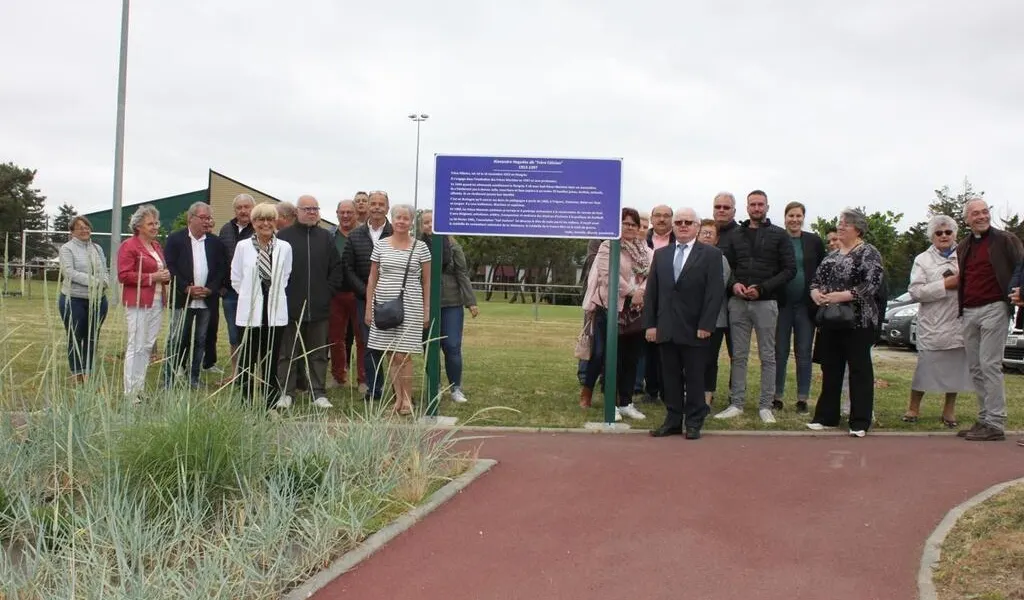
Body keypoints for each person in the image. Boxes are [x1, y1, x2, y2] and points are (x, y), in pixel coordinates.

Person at [715, 190, 796, 423]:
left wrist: (763, 288)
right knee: (738, 355)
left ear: (767, 207)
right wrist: (734, 285)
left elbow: (790, 270)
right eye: (753, 204)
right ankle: (737, 403)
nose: (757, 208)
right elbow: (726, 267)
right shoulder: (735, 236)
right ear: (747, 207)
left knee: (767, 356)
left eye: (761, 204)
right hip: (738, 303)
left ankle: (765, 405)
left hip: (766, 303)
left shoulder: (779, 235)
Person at [645, 207, 725, 439]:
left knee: (695, 377)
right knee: (669, 377)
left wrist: (706, 325)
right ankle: (672, 420)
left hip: (695, 329)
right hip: (667, 328)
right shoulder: (661, 255)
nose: (682, 225)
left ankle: (693, 421)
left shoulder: (711, 255)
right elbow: (652, 293)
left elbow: (714, 293)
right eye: (678, 221)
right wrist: (651, 324)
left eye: (688, 222)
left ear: (697, 227)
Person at [806, 208, 884, 437]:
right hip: (831, 320)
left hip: (858, 321)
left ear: (857, 228)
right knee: (831, 368)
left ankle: (860, 421)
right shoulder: (831, 255)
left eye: (845, 224)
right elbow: (815, 282)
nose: (840, 227)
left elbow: (872, 284)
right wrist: (816, 295)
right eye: (839, 223)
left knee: (859, 370)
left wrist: (844, 295)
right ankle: (826, 417)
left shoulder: (869, 253)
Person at [954, 198, 1024, 441]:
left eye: (985, 212)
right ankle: (984, 419)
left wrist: (1019, 291)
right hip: (969, 310)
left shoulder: (1006, 240)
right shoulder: (963, 246)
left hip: (995, 307)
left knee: (989, 364)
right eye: (976, 213)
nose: (982, 216)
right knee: (975, 367)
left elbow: (1021, 266)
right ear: (967, 219)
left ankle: (995, 422)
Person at [580, 208, 654, 421]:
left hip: (637, 312)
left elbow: (653, 273)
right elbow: (607, 276)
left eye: (634, 224)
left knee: (631, 358)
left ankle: (626, 402)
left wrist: (641, 292)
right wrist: (632, 292)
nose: (630, 228)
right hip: (610, 310)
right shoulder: (607, 247)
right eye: (625, 223)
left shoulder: (646, 250)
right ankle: (603, 399)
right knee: (607, 356)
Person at [276, 195, 345, 409]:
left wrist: (327, 292)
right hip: (290, 307)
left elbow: (336, 269)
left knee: (318, 353)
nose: (312, 212)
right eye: (307, 209)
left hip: (319, 307)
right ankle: (286, 392)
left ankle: (318, 392)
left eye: (315, 208)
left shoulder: (325, 237)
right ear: (297, 212)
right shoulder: (284, 237)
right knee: (287, 352)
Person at [901, 215, 970, 427]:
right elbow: (915, 292)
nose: (944, 236)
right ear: (932, 236)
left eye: (948, 232)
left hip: (959, 321)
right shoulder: (922, 259)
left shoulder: (966, 255)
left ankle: (949, 410)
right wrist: (945, 284)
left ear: (955, 234)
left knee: (956, 369)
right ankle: (913, 408)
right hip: (933, 323)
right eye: (939, 233)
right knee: (925, 368)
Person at [365, 204, 431, 415]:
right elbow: (372, 277)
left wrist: (426, 309)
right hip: (384, 304)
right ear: (392, 220)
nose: (402, 221)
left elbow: (427, 282)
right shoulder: (381, 245)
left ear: (412, 222)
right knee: (391, 354)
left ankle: (408, 400)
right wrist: (368, 307)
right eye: (398, 217)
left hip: (410, 304)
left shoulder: (420, 247)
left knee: (405, 354)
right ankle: (398, 399)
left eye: (406, 218)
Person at [231, 203, 292, 408]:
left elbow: (285, 276)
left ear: (275, 222)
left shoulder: (284, 248)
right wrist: (252, 295)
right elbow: (236, 278)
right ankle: (245, 403)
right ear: (253, 222)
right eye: (260, 220)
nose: (265, 224)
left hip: (274, 312)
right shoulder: (243, 247)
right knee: (247, 360)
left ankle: (270, 403)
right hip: (249, 312)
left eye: (269, 219)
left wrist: (271, 294)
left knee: (271, 361)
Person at [162, 202, 227, 389]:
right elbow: (171, 266)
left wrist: (210, 289)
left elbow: (222, 269)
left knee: (200, 340)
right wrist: (186, 288)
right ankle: (169, 379)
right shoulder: (176, 240)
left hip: (206, 301)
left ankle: (194, 378)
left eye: (209, 218)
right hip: (183, 300)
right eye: (203, 218)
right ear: (191, 218)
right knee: (176, 339)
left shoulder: (215, 243)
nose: (207, 222)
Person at [421, 210, 479, 403]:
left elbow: (462, 274)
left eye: (433, 222)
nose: (429, 226)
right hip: (426, 304)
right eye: (426, 222)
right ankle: (434, 387)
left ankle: (456, 388)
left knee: (452, 346)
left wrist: (471, 302)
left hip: (452, 303)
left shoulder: (454, 247)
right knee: (431, 347)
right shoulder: (417, 246)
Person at [774, 201, 826, 414]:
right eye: (791, 216)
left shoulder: (813, 241)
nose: (794, 220)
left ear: (803, 218)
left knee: (803, 352)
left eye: (798, 216)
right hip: (781, 305)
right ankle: (776, 396)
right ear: (785, 217)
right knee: (780, 351)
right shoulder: (777, 239)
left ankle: (802, 398)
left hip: (806, 306)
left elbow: (823, 270)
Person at [343, 190, 394, 400]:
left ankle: (399, 390)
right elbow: (347, 267)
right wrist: (367, 291)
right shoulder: (355, 235)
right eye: (373, 203)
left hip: (392, 300)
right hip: (364, 299)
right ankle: (374, 389)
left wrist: (383, 290)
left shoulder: (397, 233)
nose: (376, 207)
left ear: (387, 208)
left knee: (393, 347)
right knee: (370, 344)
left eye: (381, 204)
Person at [117, 204, 170, 402]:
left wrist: (165, 276)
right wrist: (152, 277)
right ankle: (130, 393)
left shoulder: (156, 246)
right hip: (138, 301)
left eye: (156, 223)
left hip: (157, 301)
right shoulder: (129, 246)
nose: (155, 227)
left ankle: (139, 388)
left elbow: (159, 271)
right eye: (150, 223)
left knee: (147, 346)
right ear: (138, 226)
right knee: (136, 345)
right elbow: (124, 275)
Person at [57, 216, 110, 384]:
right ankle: (76, 372)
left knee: (92, 336)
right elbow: (69, 272)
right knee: (75, 336)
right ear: (72, 232)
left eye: (86, 227)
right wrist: (94, 282)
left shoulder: (97, 248)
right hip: (74, 300)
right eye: (79, 227)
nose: (84, 230)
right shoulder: (67, 249)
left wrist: (105, 281)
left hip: (98, 300)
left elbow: (104, 268)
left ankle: (88, 371)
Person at [639, 204, 675, 404]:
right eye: (658, 216)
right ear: (652, 219)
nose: (662, 219)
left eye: (666, 216)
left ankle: (668, 390)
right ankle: (651, 390)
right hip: (644, 300)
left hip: (671, 302)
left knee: (668, 349)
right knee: (649, 349)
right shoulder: (642, 240)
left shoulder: (678, 241)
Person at [218, 194, 255, 382]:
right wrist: (222, 288)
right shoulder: (225, 230)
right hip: (230, 293)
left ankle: (255, 374)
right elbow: (219, 260)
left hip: (253, 293)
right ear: (235, 210)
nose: (243, 211)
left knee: (254, 333)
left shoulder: (259, 229)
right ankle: (236, 373)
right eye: (239, 207)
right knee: (234, 334)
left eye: (246, 207)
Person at [328, 199, 364, 388]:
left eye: (349, 212)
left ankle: (363, 379)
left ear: (356, 214)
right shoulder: (330, 236)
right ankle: (338, 376)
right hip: (336, 295)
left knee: (362, 339)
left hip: (358, 294)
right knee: (335, 338)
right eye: (342, 212)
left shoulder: (362, 235)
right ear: (337, 213)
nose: (346, 216)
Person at [697, 219, 731, 405]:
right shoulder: (688, 256)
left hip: (714, 320)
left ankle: (707, 397)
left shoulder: (721, 259)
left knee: (710, 360)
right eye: (704, 232)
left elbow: (716, 289)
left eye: (711, 233)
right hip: (689, 319)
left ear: (717, 239)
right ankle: (690, 394)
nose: (707, 235)